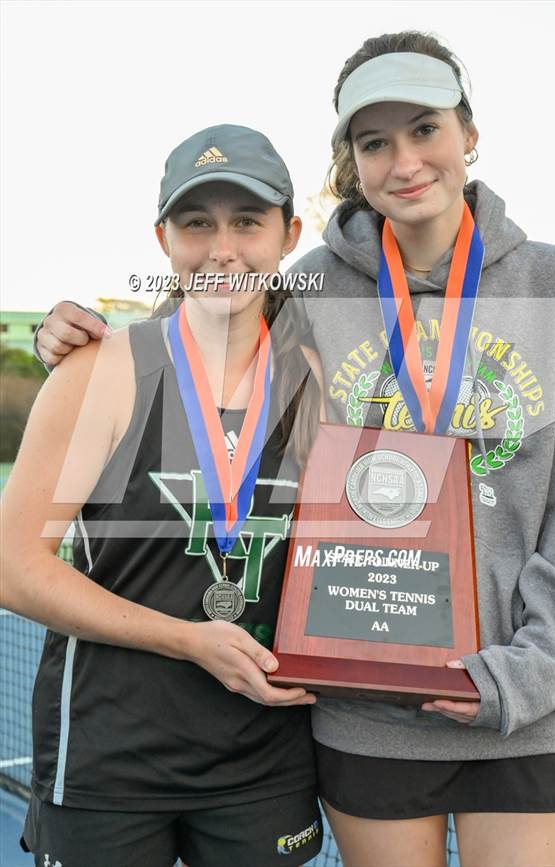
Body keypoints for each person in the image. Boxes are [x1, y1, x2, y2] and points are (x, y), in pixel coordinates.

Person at [33, 31, 555, 867]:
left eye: (425, 129)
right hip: (362, 711)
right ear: (351, 160)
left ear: (470, 135)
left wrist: (522, 676)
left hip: (518, 708)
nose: (405, 160)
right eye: (374, 142)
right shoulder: (310, 286)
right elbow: (203, 320)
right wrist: (69, 339)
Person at [1, 123, 326, 867]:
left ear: (289, 233)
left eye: (247, 221)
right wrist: (187, 639)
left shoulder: (317, 379)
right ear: (163, 238)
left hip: (262, 759)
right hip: (110, 757)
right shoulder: (100, 371)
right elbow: (13, 564)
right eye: (196, 223)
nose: (222, 249)